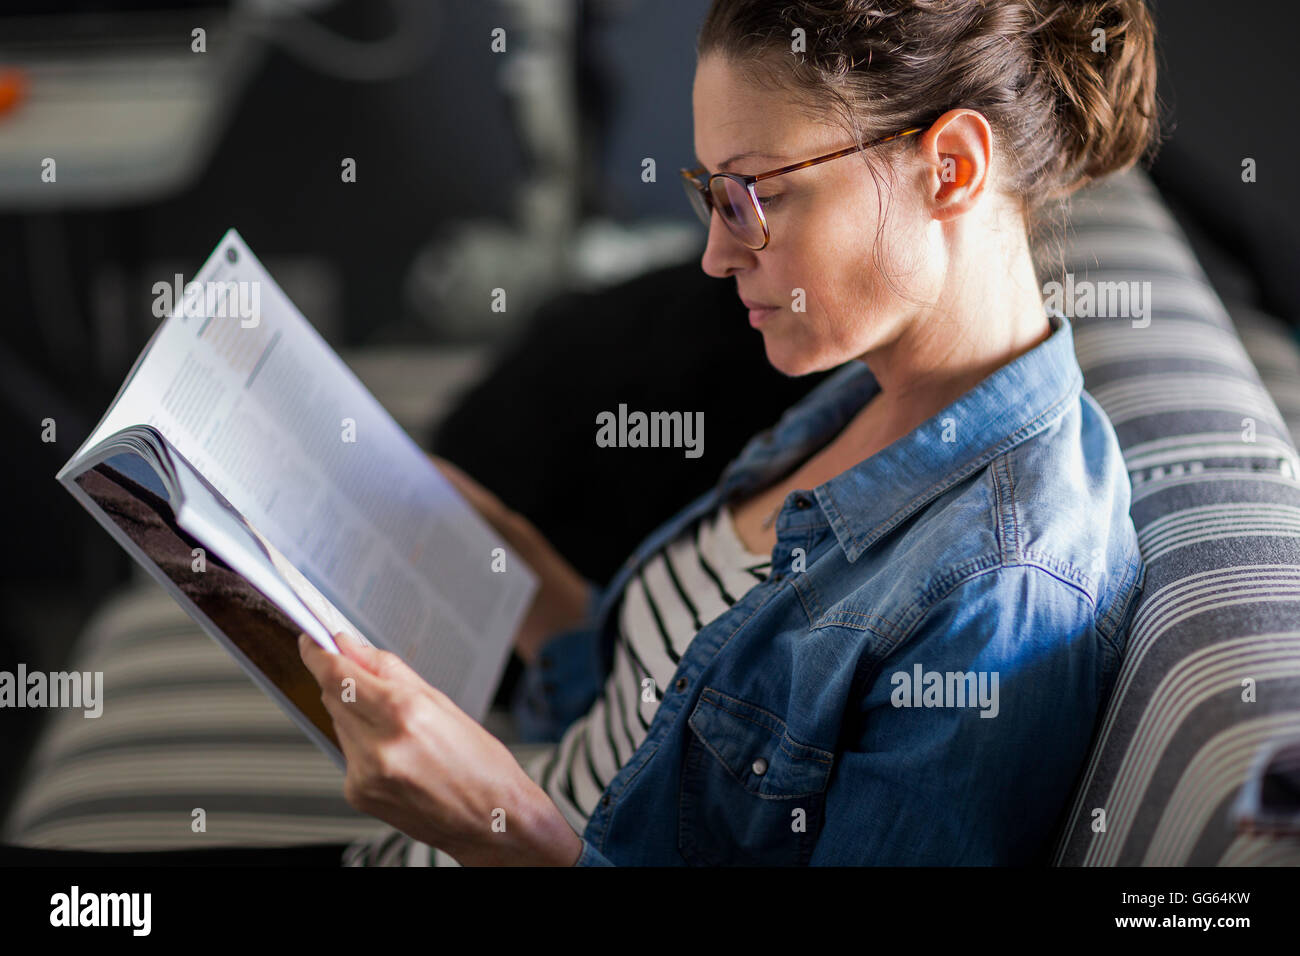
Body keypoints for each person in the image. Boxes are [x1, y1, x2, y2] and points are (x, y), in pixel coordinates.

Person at [8, 0, 1158, 867]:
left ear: (948, 167)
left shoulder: (1004, 591)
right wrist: (511, 565)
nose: (714, 253)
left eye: (754, 194)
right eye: (709, 193)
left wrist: (497, 823)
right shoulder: (871, 393)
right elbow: (650, 709)